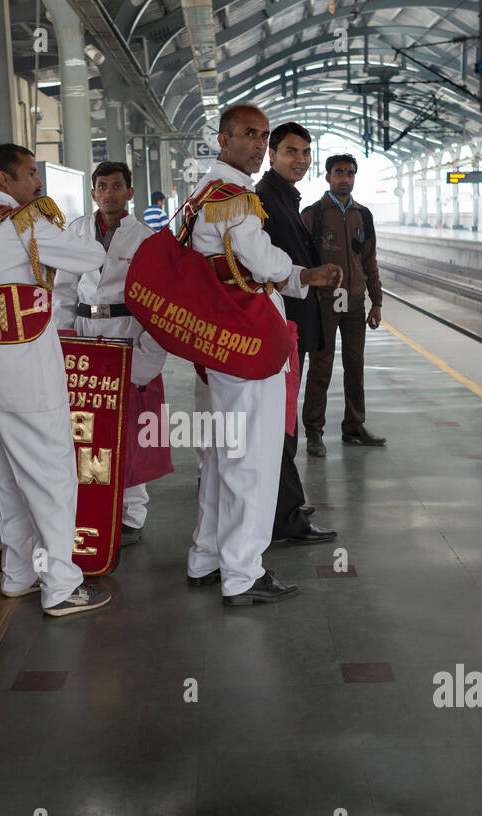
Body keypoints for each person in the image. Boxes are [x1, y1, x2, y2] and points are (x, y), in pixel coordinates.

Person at [183, 103, 342, 606]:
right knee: (251, 456)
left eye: (262, 135)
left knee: (221, 452)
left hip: (218, 341)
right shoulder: (232, 197)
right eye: (250, 135)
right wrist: (297, 272)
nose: (257, 144)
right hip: (248, 341)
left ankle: (206, 556)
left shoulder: (200, 195)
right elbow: (257, 257)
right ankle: (243, 573)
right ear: (224, 140)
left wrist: (297, 275)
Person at [0, 143, 110, 615]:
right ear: (5, 181)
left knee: (7, 478)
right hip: (29, 374)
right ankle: (61, 585)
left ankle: (18, 572)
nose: (38, 183)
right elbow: (91, 255)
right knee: (52, 476)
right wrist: (50, 219)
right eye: (31, 174)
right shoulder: (26, 224)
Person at [52, 161, 170, 547]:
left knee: (133, 427)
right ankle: (92, 505)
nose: (108, 193)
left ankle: (133, 514)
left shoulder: (147, 238)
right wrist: (64, 338)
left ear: (130, 193)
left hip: (127, 332)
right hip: (84, 333)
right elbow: (64, 290)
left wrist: (148, 355)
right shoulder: (77, 232)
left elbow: (159, 302)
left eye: (117, 186)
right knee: (88, 425)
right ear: (93, 193)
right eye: (101, 187)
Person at [254, 122, 338, 546]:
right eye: (291, 151)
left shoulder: (284, 197)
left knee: (283, 422)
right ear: (271, 153)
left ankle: (286, 502)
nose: (300, 159)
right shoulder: (266, 200)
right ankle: (284, 517)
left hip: (293, 327)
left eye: (306, 152)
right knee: (282, 425)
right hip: (280, 329)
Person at [301, 154, 386, 456]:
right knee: (321, 366)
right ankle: (314, 431)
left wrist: (376, 301)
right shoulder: (313, 215)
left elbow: (369, 260)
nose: (344, 178)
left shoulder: (362, 215)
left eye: (350, 173)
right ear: (327, 177)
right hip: (324, 303)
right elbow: (302, 263)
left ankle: (353, 427)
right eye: (339, 173)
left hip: (354, 303)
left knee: (355, 366)